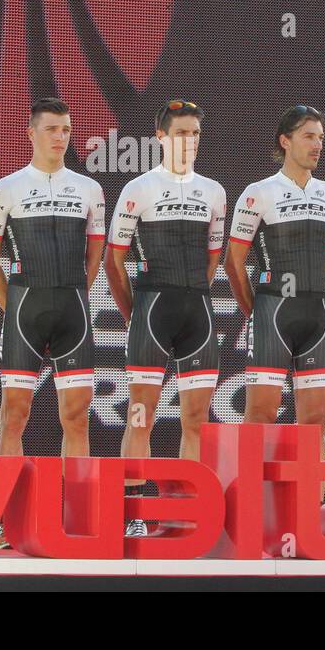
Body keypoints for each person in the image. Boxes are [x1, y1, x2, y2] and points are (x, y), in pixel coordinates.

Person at [0, 98, 106, 547]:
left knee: (77, 417)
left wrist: (77, 292)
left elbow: (95, 254)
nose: (60, 137)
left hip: (73, 311)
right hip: (24, 313)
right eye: (51, 129)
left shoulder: (89, 189)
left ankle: (75, 515)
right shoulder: (4, 188)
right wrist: (8, 304)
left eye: (67, 129)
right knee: (14, 415)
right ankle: (1, 515)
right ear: (30, 134)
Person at [106, 100, 226, 538]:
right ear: (160, 137)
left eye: (195, 134)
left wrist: (193, 289)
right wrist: (132, 312)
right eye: (180, 133)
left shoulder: (214, 190)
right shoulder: (138, 188)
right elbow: (113, 261)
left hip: (197, 310)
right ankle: (133, 512)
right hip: (151, 311)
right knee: (142, 415)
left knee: (197, 418)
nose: (188, 142)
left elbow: (214, 260)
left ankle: (190, 511)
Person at [226, 105, 325, 448]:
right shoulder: (259, 192)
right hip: (272, 313)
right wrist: (256, 312)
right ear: (285, 141)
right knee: (262, 415)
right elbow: (233, 262)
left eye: (321, 138)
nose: (317, 145)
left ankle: (306, 504)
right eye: (309, 136)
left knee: (315, 422)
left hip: (316, 315)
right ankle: (251, 502)